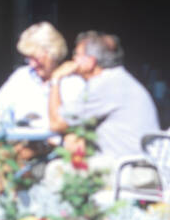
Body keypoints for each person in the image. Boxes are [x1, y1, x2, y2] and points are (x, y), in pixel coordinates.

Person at [48, 31, 160, 166]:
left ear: (90, 61)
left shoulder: (103, 85)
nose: (73, 60)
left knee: (54, 169)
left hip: (130, 170)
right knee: (73, 144)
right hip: (140, 163)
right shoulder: (116, 78)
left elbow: (57, 124)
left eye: (76, 55)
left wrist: (55, 79)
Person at [0, 22, 84, 126]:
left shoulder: (73, 82)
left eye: (36, 58)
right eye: (28, 58)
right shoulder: (22, 76)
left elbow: (73, 125)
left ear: (53, 54)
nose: (32, 64)